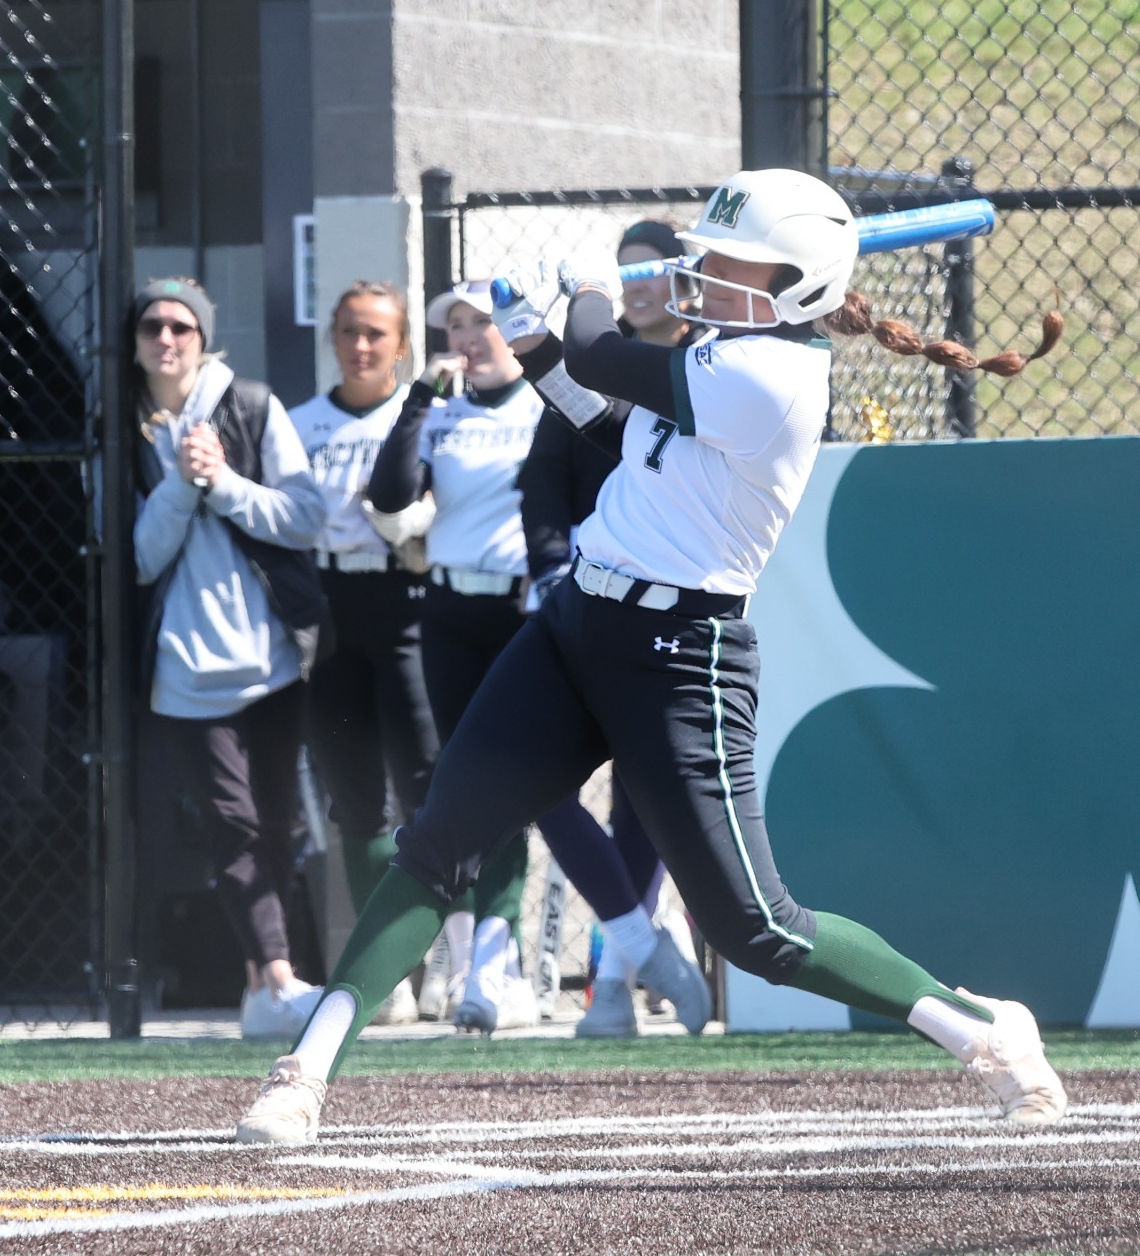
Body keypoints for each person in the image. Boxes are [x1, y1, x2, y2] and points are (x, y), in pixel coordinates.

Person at [239, 168, 1067, 1143]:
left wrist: (586, 298)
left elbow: (602, 358)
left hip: (680, 659)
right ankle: (305, 1071)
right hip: (574, 625)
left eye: (730, 265)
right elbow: (603, 419)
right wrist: (542, 342)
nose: (705, 277)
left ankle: (978, 1027)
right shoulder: (723, 351)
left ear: (794, 285)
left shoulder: (771, 376)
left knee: (755, 925)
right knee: (438, 843)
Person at [364, 282, 707, 1036]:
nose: (471, 335)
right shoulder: (445, 408)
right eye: (456, 324)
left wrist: (555, 567)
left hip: (553, 609)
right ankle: (565, 953)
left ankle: (624, 953)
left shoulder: (558, 394)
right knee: (499, 791)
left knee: (632, 788)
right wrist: (420, 394)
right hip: (456, 609)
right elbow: (390, 499)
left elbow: (565, 484)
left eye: (483, 320)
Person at [127, 276, 329, 1042]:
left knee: (275, 822)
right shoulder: (123, 427)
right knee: (233, 822)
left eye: (183, 326)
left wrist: (225, 481)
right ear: (136, 341)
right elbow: (140, 560)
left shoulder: (250, 405)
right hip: (185, 669)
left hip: (273, 658)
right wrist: (182, 482)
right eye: (152, 326)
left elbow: (305, 516)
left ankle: (258, 990)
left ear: (204, 338)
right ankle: (279, 978)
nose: (167, 339)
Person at [518, 218, 697, 1037]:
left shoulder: (707, 366)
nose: (636, 283)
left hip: (673, 612)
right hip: (582, 604)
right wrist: (554, 565)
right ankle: (636, 946)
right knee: (533, 776)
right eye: (623, 272)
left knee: (649, 799)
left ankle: (613, 981)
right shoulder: (594, 362)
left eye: (652, 268)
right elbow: (545, 480)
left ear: (686, 277)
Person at [287, 281, 439, 1026]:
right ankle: (388, 976)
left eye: (377, 333)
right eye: (349, 331)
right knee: (356, 801)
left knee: (431, 790)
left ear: (402, 344)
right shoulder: (300, 422)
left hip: (406, 605)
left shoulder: (424, 416)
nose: (361, 345)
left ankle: (446, 960)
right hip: (330, 613)